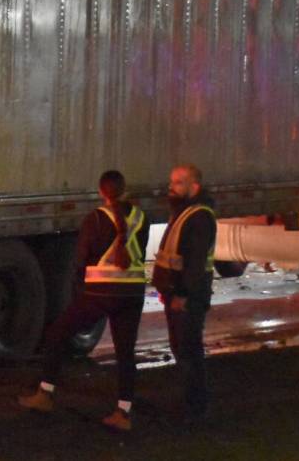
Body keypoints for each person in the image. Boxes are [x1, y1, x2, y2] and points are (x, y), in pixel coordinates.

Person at [18, 170, 148, 432]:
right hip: (133, 293)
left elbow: (80, 260)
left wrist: (80, 286)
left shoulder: (96, 219)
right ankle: (124, 412)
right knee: (125, 352)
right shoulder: (142, 218)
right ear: (125, 190)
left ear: (101, 192)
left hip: (100, 294)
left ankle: (45, 393)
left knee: (57, 333)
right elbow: (140, 254)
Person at [151, 163, 217, 423]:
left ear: (195, 186)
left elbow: (195, 263)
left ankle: (195, 408)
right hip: (178, 295)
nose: (171, 187)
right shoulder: (184, 212)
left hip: (189, 298)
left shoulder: (199, 216)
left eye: (179, 182)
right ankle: (190, 404)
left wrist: (182, 294)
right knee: (183, 350)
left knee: (188, 351)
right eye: (172, 181)